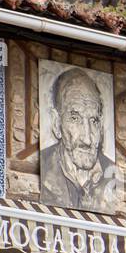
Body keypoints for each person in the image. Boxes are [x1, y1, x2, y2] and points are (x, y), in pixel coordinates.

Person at [40, 67, 116, 211]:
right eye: (75, 118)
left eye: (93, 120)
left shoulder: (114, 174)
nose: (87, 139)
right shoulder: (45, 166)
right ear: (57, 123)